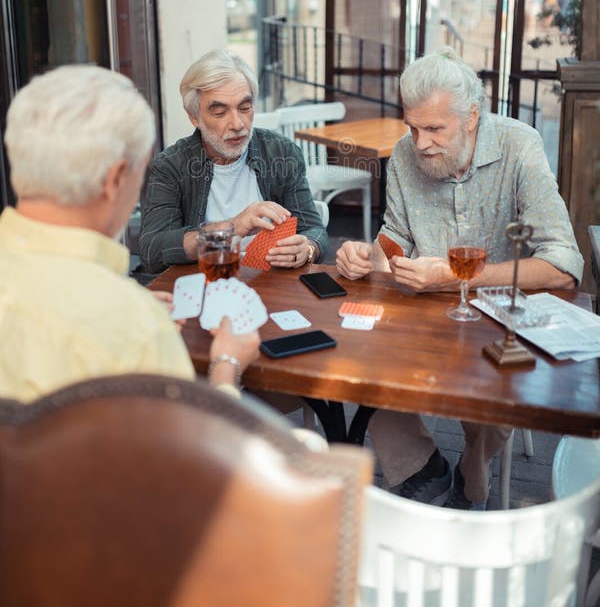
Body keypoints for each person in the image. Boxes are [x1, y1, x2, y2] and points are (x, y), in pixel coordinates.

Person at [336, 47, 583, 510]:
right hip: (424, 312)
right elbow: (396, 234)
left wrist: (455, 277)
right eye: (412, 127)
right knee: (362, 364)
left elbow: (565, 266)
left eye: (434, 129)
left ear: (471, 118)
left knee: (505, 377)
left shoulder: (519, 145)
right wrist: (370, 256)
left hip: (496, 311)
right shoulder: (407, 155)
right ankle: (421, 467)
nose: (419, 142)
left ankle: (474, 455)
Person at [0, 65, 258, 402]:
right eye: (140, 175)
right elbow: (185, 451)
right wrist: (227, 364)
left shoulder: (127, 317)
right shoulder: (137, 329)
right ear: (116, 179)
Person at [139, 49, 327, 274]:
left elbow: (314, 230)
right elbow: (153, 250)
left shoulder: (282, 153)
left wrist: (306, 249)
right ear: (194, 117)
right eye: (220, 112)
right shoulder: (171, 166)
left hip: (270, 285)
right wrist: (231, 228)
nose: (238, 123)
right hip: (203, 285)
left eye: (245, 108)